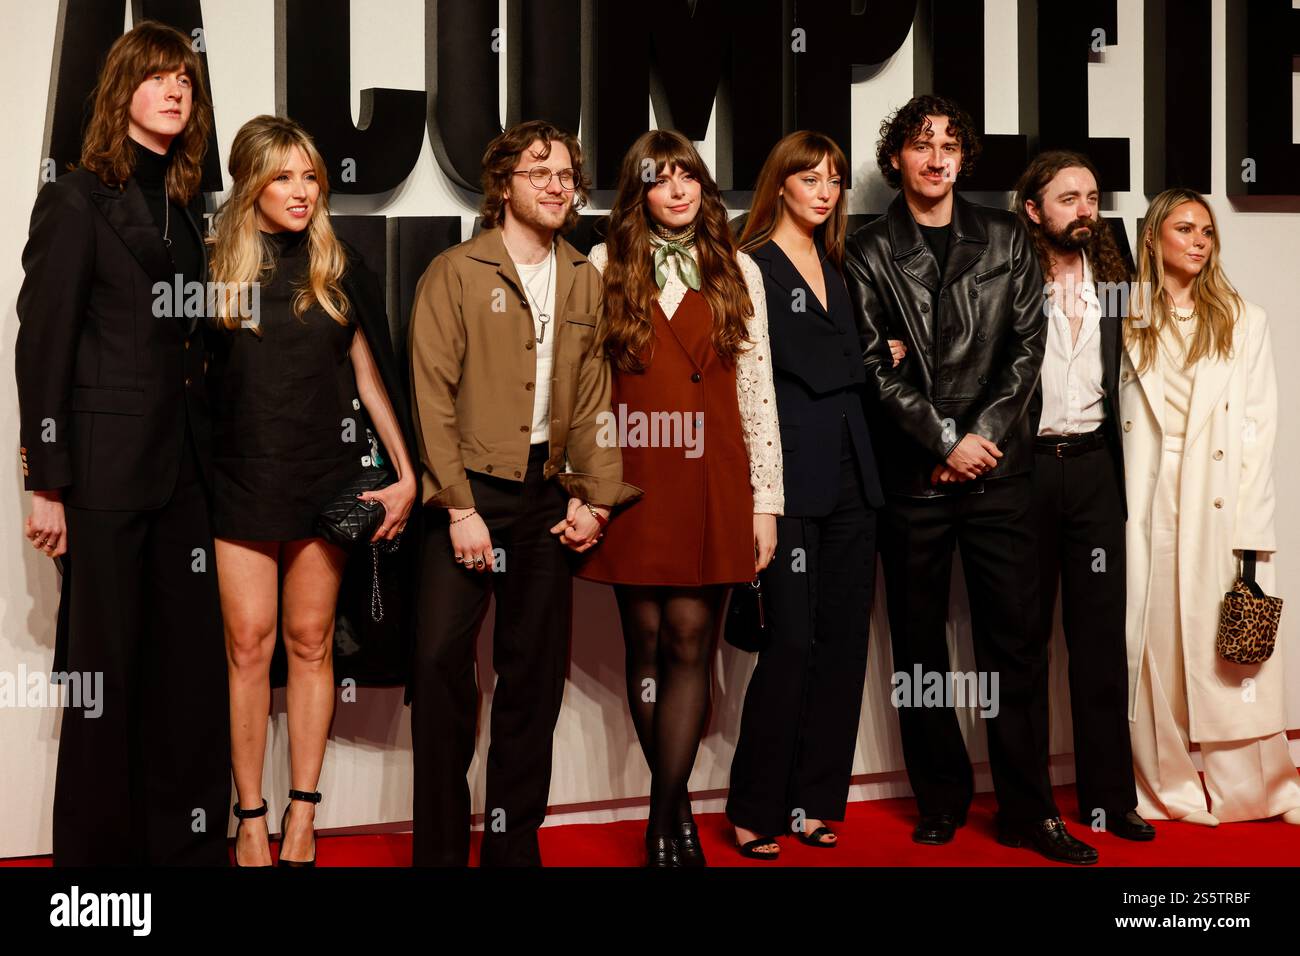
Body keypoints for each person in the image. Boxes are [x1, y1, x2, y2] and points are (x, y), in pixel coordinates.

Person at [845, 94, 1098, 864]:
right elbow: (867, 367)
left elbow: (1027, 349)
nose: (934, 158)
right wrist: (944, 439)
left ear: (963, 158)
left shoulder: (1004, 238)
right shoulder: (867, 250)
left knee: (1014, 648)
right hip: (917, 477)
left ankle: (1028, 809)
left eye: (948, 145)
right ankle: (941, 798)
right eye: (920, 145)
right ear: (896, 158)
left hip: (999, 473)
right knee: (920, 653)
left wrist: (981, 436)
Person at [15, 21, 230, 865]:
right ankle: (99, 873)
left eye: (185, 79)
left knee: (182, 679)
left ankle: (178, 851)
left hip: (182, 476)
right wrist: (45, 479)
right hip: (102, 478)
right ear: (122, 92)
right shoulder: (76, 198)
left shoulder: (183, 207)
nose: (176, 90)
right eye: (158, 78)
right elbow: (43, 346)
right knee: (103, 685)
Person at [407, 120, 640, 867]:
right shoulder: (457, 270)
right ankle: (440, 851)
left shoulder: (583, 277)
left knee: (532, 679)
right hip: (470, 494)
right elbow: (431, 397)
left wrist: (596, 500)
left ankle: (511, 848)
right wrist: (460, 507)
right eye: (539, 171)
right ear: (502, 183)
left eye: (567, 175)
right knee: (441, 667)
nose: (556, 185)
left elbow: (599, 397)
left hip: (546, 497)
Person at [207, 115, 418, 866]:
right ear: (250, 181)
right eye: (283, 176)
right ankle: (250, 816)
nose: (300, 192)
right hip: (239, 483)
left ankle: (302, 813)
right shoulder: (211, 269)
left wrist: (406, 473)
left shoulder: (338, 264)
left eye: (310, 177)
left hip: (323, 481)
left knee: (310, 643)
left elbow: (371, 374)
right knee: (247, 646)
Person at [578, 129, 782, 867]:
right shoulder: (604, 264)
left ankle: (664, 816)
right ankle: (676, 813)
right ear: (639, 190)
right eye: (660, 179)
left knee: (692, 641)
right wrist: (589, 485)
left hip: (715, 477)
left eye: (688, 177)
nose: (677, 190)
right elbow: (589, 387)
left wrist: (768, 502)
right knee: (646, 645)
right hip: (636, 476)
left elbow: (758, 394)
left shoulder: (739, 270)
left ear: (702, 185)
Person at [726, 131, 903, 860]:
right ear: (781, 184)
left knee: (843, 646)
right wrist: (865, 358)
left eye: (834, 178)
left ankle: (814, 801)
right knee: (790, 644)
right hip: (789, 477)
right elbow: (763, 375)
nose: (826, 190)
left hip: (856, 471)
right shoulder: (748, 265)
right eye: (810, 177)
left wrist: (868, 357)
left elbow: (853, 359)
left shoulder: (843, 263)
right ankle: (754, 807)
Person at [1121, 188, 1300, 826]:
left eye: (1207, 231)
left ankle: (1255, 790)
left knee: (1230, 656)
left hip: (1219, 503)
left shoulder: (1243, 318)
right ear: (1154, 238)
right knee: (1153, 650)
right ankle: (1167, 787)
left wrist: (1253, 534)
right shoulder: (1128, 314)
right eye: (1184, 228)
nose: (1198, 241)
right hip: (1146, 503)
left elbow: (1259, 430)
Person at [1015, 151, 1154, 842]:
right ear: (1034, 208)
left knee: (1101, 642)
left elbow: (1156, 344)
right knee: (1024, 645)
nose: (1084, 209)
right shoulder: (1008, 270)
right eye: (1067, 197)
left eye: (1092, 197)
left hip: (1097, 466)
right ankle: (1030, 806)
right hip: (1026, 471)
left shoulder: (1116, 268)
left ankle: (1109, 797)